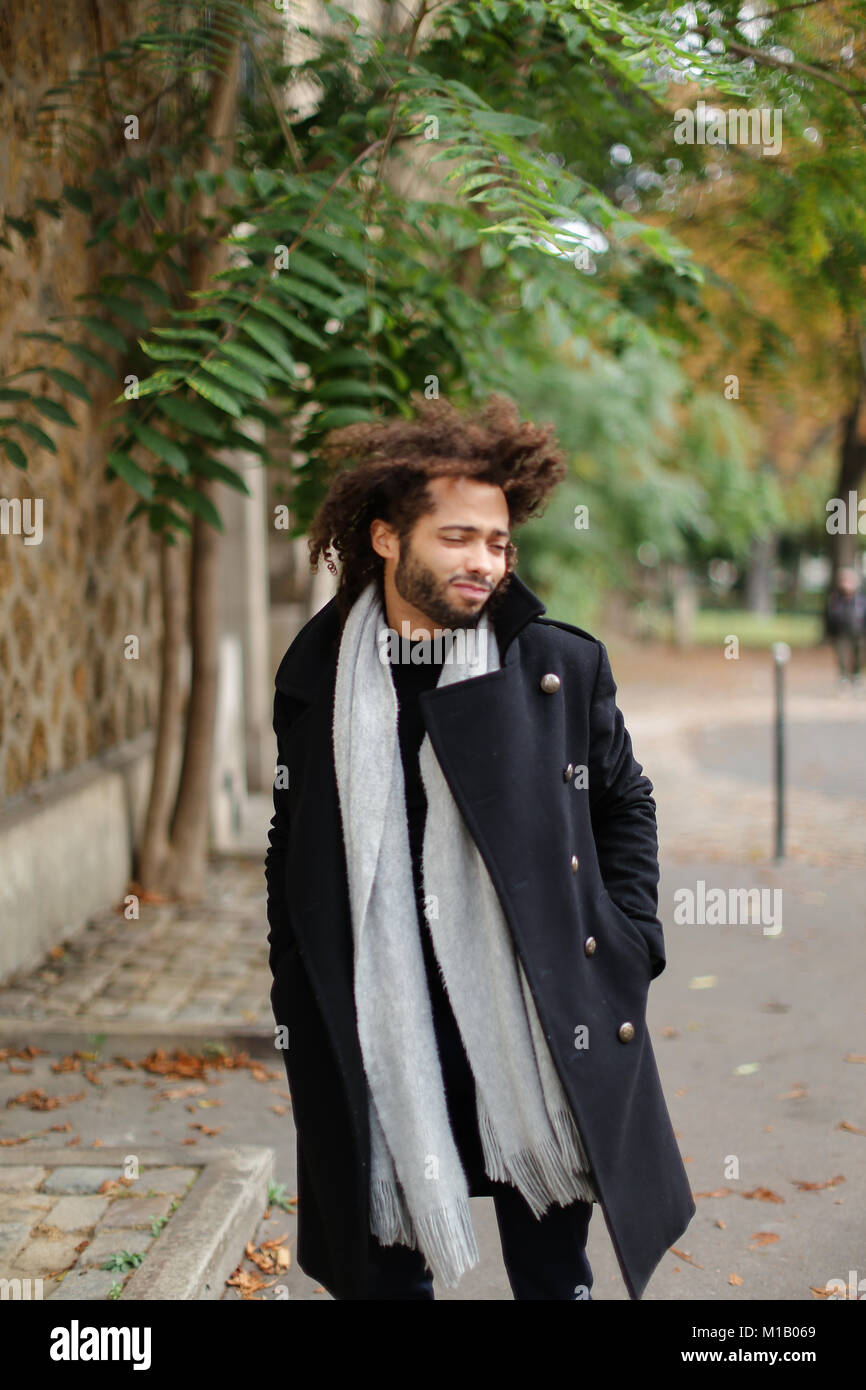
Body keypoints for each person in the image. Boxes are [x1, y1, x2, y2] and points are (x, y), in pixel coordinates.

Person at [265, 392, 694, 1300]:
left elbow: (626, 801)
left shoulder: (555, 668)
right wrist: (294, 978)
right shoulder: (315, 673)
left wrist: (629, 939)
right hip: (383, 1024)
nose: (485, 563)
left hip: (528, 1024)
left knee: (552, 1275)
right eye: (458, 538)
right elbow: (289, 836)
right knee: (384, 1271)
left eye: (498, 543)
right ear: (386, 538)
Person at [825, 567, 866, 690]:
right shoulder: (835, 599)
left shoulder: (861, 599)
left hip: (859, 632)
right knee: (841, 655)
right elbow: (828, 617)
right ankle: (843, 677)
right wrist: (829, 632)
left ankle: (856, 675)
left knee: (859, 655)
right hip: (840, 632)